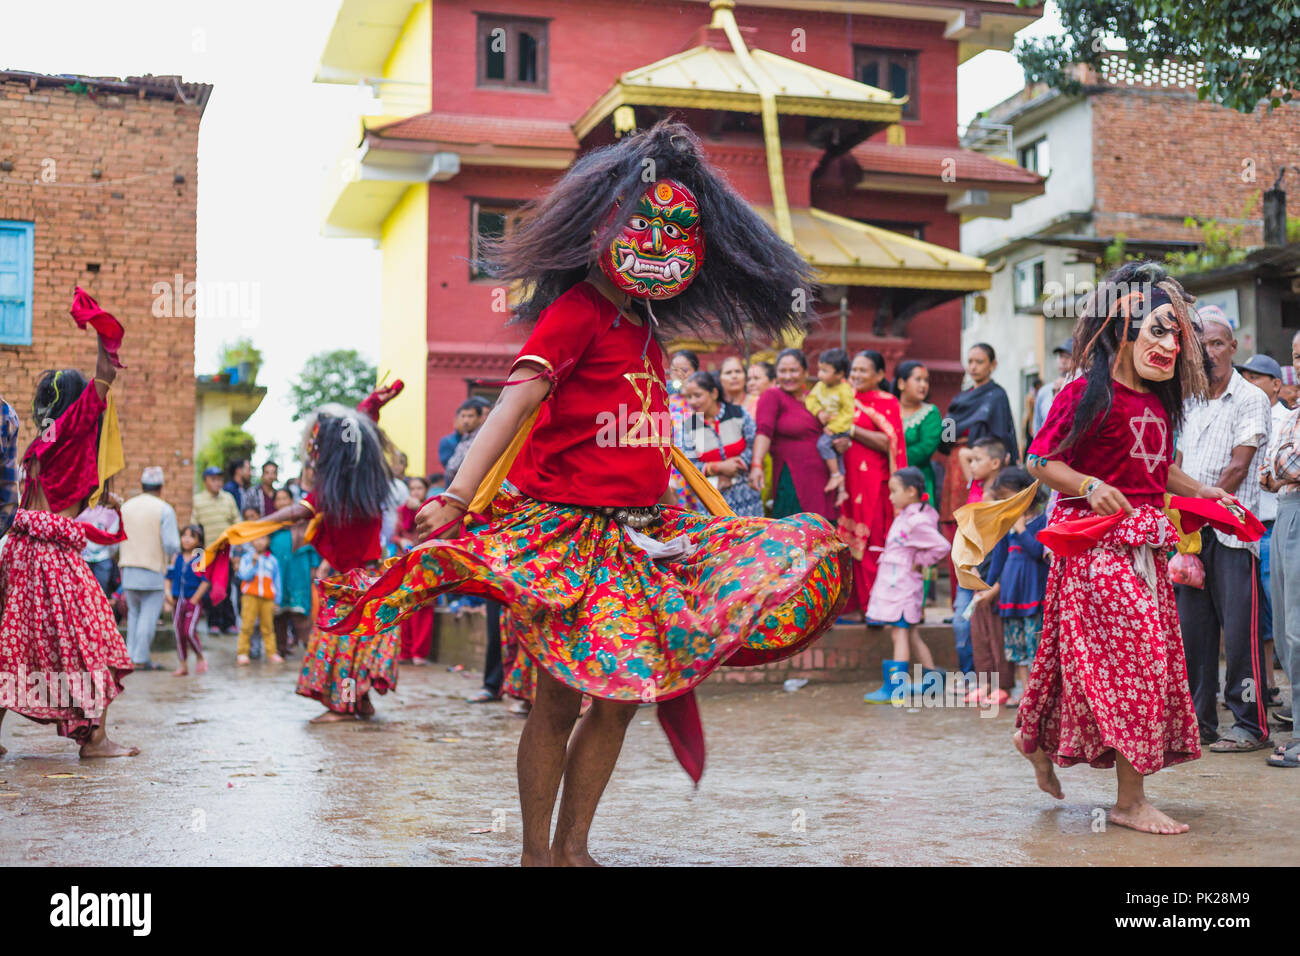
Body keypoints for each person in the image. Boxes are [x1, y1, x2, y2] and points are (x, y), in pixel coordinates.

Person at [316, 122, 849, 865]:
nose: (660, 244)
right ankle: (538, 853)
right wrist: (459, 495)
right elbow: (513, 405)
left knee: (624, 697)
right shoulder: (576, 313)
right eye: (644, 226)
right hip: (565, 536)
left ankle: (574, 847)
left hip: (638, 538)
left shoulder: (648, 329)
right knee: (561, 696)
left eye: (675, 232)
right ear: (603, 229)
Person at [1018, 260, 1235, 834]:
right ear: (1123, 324)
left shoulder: (1162, 403)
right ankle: (1130, 803)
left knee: (1117, 667)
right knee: (1136, 664)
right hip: (1092, 552)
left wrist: (1204, 490)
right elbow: (1040, 460)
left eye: (1176, 334)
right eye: (1158, 329)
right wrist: (1088, 486)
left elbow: (1156, 472)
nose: (1168, 344)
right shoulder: (1085, 392)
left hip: (1146, 552)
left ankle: (1033, 738)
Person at [205, 384, 403, 719]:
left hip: (349, 586)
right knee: (358, 647)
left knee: (342, 649)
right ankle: (360, 701)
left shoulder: (333, 492)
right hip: (374, 580)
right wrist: (370, 404)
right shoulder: (364, 485)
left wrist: (252, 526)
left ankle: (343, 705)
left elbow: (297, 511)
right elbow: (356, 429)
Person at [0, 289, 137, 758]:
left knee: (13, 644)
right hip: (50, 557)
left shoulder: (41, 441)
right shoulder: (78, 425)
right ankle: (95, 739)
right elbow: (105, 375)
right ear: (76, 404)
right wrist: (101, 328)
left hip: (19, 553)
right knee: (96, 639)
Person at [1175, 307, 1272, 752]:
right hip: (1191, 533)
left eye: (1218, 344)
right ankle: (1201, 721)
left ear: (1234, 348)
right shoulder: (1188, 399)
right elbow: (1173, 463)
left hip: (1232, 531)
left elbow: (1237, 466)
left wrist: (1197, 506)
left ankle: (1250, 725)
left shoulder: (1250, 397)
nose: (1210, 352)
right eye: (1202, 345)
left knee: (1239, 635)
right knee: (1193, 633)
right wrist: (1179, 516)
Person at [862, 467, 951, 702]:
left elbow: (942, 546)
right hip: (898, 584)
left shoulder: (916, 521)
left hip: (901, 585)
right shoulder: (908, 516)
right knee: (911, 633)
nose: (890, 496)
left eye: (894, 491)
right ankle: (932, 681)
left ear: (911, 491)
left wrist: (920, 561)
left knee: (899, 633)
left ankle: (894, 688)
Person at [1238, 353, 1288, 713]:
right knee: (1259, 616)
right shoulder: (1242, 416)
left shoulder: (1288, 419)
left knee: (1284, 610)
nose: (1251, 383)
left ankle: (1290, 692)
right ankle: (1267, 687)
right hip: (1247, 530)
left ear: (1276, 384)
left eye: (1258, 377)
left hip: (1277, 526)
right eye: (1247, 377)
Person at [838, 350, 905, 614]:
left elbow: (889, 443)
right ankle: (849, 607)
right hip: (846, 484)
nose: (856, 375)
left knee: (871, 545)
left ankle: (874, 609)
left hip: (874, 485)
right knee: (844, 546)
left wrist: (851, 430)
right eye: (854, 370)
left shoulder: (887, 402)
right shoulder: (844, 399)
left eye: (863, 370)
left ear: (879, 375)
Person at [975, 467, 1048, 706]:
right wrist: (987, 585)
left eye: (1008, 498)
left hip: (1033, 591)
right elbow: (998, 558)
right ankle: (1025, 691)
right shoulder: (1006, 525)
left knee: (1033, 644)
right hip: (1011, 592)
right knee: (1016, 646)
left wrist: (1020, 528)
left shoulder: (1042, 521)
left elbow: (1038, 551)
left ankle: (1038, 694)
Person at [1263, 332, 1300, 763]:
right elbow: (1271, 469)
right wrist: (1281, 469)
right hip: (1286, 513)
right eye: (1296, 357)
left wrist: (1280, 468)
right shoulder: (1292, 415)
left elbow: (1288, 464)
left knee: (1297, 631)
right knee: (1289, 634)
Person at [750, 348, 838, 521]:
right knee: (793, 533)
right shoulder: (773, 396)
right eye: (783, 371)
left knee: (822, 535)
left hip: (823, 479)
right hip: (792, 478)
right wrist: (756, 464)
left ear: (805, 372)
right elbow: (764, 431)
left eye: (793, 370)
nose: (788, 376)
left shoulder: (813, 398)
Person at [949, 436, 1006, 674]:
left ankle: (994, 681)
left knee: (990, 628)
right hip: (968, 566)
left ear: (995, 463)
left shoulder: (1006, 493)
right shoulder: (974, 484)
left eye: (977, 460)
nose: (971, 464)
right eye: (971, 460)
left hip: (993, 569)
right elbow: (963, 454)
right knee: (961, 622)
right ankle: (969, 675)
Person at [119, 466, 181, 670]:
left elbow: (113, 538)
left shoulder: (126, 507)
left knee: (134, 615)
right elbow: (171, 544)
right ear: (161, 488)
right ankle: (140, 658)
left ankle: (129, 656)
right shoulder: (164, 509)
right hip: (152, 569)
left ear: (142, 486)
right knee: (148, 616)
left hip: (128, 568)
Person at [680, 370, 761, 517]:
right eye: (689, 397)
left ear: (714, 393)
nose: (692, 401)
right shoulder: (689, 426)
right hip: (711, 503)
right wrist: (718, 468)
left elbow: (754, 445)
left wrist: (737, 465)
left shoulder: (738, 414)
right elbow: (688, 466)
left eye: (697, 395)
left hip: (746, 498)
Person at [267, 487, 319, 657]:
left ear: (291, 501)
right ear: (274, 503)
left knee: (301, 613)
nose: (282, 502)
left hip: (299, 573)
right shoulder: (271, 526)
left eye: (285, 499)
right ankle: (279, 650)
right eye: (278, 499)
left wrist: (314, 568)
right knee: (278, 615)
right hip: (278, 575)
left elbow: (313, 548)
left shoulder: (303, 523)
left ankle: (311, 651)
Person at [193, 465, 240, 634]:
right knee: (209, 587)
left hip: (226, 553)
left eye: (220, 479)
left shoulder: (228, 499)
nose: (217, 482)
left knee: (226, 588)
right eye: (213, 479)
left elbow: (237, 523)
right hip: (207, 552)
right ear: (205, 481)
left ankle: (228, 622)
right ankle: (213, 623)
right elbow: (194, 527)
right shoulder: (197, 501)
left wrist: (237, 552)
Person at [805, 348, 854, 506]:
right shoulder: (820, 386)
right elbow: (810, 400)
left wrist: (833, 427)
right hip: (829, 426)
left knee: (823, 445)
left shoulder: (844, 391)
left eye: (825, 371)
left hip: (839, 427)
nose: (820, 374)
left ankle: (834, 475)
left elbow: (848, 413)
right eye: (820, 369)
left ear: (839, 374)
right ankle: (842, 491)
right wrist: (819, 412)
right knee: (838, 458)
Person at [894, 360, 943, 506]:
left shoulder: (930, 413)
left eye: (926, 380)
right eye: (918, 379)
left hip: (918, 481)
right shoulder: (889, 409)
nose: (923, 385)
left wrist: (893, 458)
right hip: (888, 480)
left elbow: (926, 448)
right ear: (901, 383)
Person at [165, 523, 210, 676]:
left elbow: (205, 580)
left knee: (189, 631)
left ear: (199, 540)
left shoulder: (200, 556)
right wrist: (167, 594)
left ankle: (200, 657)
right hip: (178, 601)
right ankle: (183, 665)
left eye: (192, 536)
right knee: (178, 632)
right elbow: (169, 577)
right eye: (184, 536)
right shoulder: (176, 557)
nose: (187, 539)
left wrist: (196, 598)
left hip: (193, 601)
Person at [1032, 339, 1076, 438]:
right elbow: (1037, 428)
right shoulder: (1044, 391)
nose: (1063, 361)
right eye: (1060, 356)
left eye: (1068, 357)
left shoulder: (1081, 390)